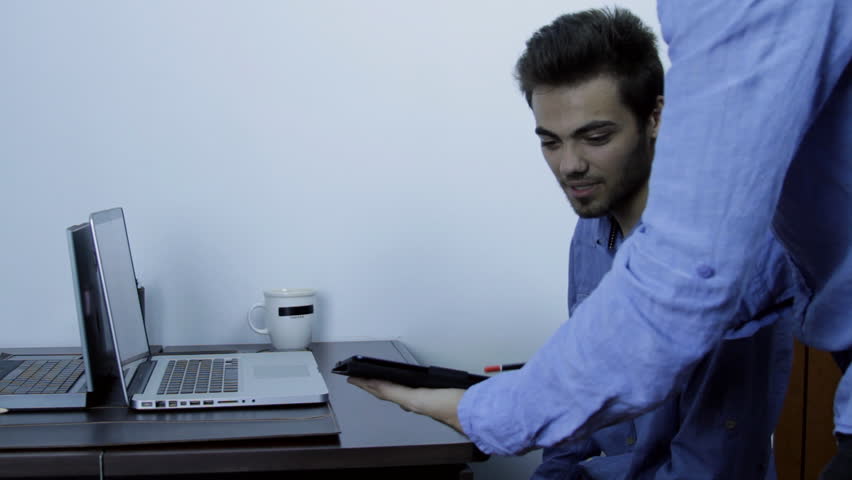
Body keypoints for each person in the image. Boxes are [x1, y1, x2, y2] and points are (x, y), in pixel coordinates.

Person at [350, 0, 852, 477]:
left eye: (595, 137)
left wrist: (487, 413)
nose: (569, 165)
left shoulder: (737, 250)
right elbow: (573, 441)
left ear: (656, 117)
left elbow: (712, 460)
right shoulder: (589, 234)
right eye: (550, 141)